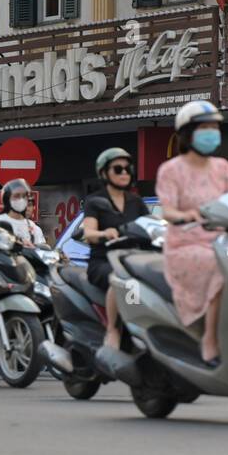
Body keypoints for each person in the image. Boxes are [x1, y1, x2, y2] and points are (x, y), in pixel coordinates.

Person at [156, 101, 228, 366]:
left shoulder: (223, 167)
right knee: (219, 268)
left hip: (223, 241)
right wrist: (184, 216)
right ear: (188, 133)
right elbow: (167, 210)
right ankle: (210, 341)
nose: (211, 133)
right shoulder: (170, 170)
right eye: (205, 127)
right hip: (186, 244)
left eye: (214, 127)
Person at [83, 148, 149, 354]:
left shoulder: (136, 202)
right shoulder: (95, 201)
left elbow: (149, 226)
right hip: (104, 262)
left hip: (132, 260)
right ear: (104, 173)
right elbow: (89, 232)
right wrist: (104, 233)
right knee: (118, 277)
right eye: (118, 168)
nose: (124, 173)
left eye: (128, 168)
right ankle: (112, 329)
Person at [0, 179, 44, 248]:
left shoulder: (32, 226)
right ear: (7, 199)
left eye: (24, 196)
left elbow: (40, 249)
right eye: (17, 196)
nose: (21, 200)